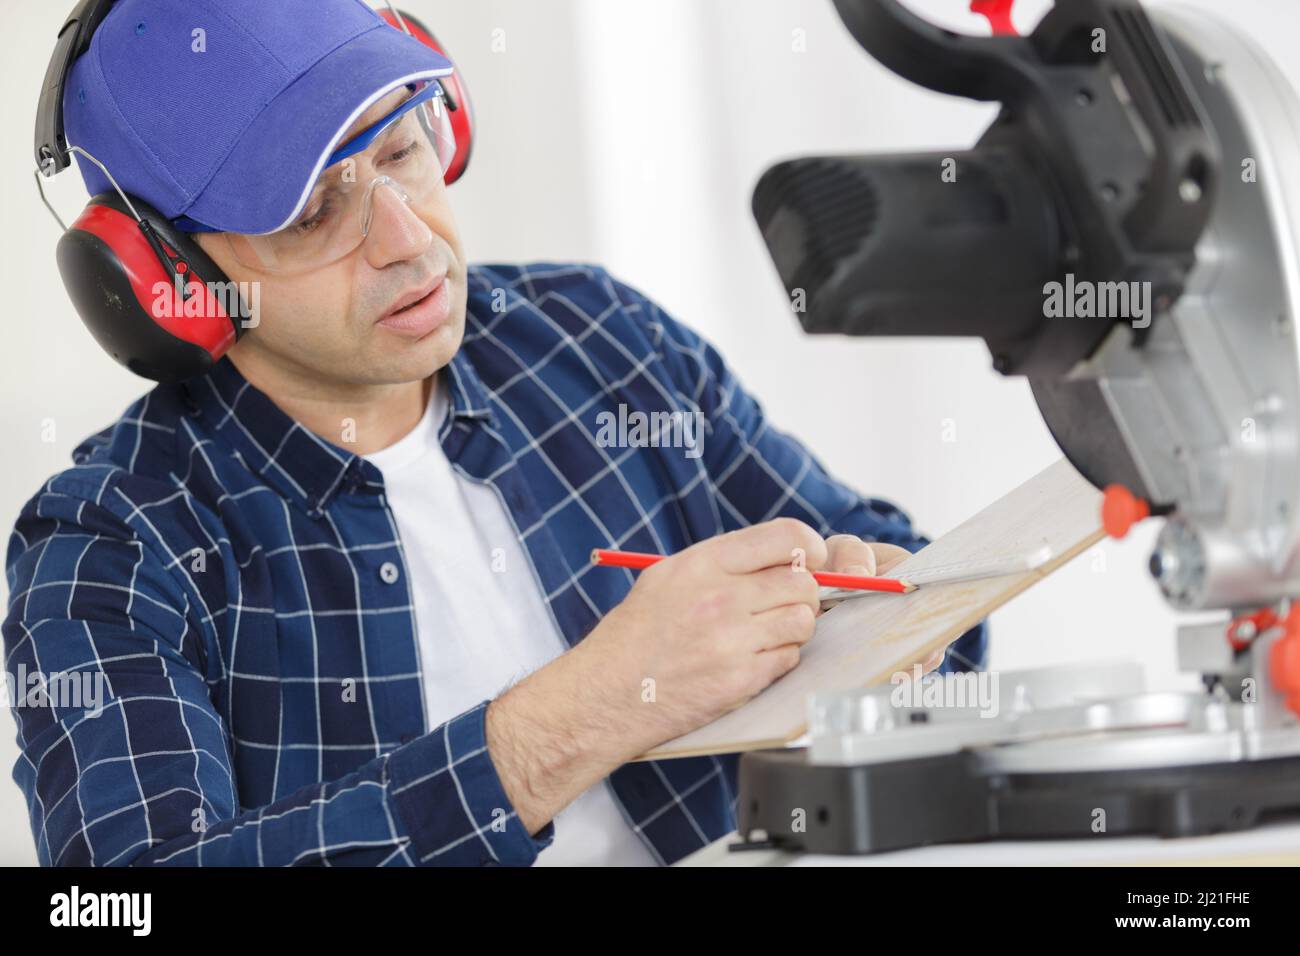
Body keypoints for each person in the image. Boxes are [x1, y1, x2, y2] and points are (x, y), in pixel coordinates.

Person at [3, 0, 984, 866]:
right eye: (312, 212)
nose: (408, 239)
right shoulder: (110, 544)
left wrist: (894, 630)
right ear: (168, 283)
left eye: (399, 148)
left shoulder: (597, 335)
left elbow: (908, 574)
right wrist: (593, 704)